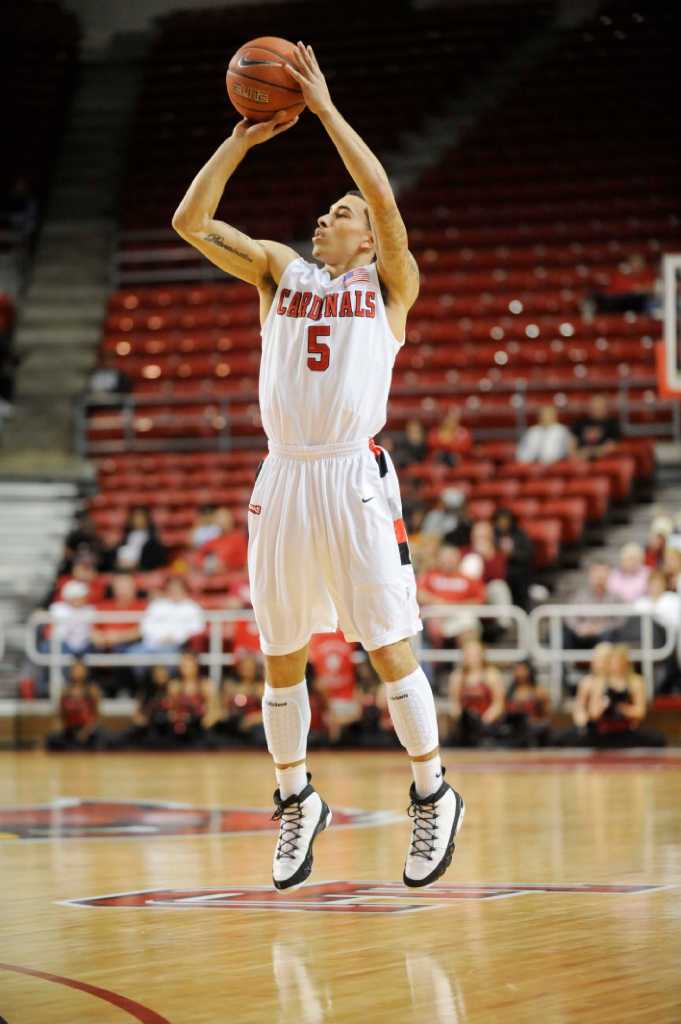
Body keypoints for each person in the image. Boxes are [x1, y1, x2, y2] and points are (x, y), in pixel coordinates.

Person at [173, 41, 464, 891]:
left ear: (369, 236)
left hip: (352, 473)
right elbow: (190, 224)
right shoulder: (277, 271)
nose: (325, 217)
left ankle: (431, 791)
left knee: (385, 644)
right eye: (326, 211)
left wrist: (327, 111)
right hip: (284, 475)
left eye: (339, 212)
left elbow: (379, 193)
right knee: (281, 652)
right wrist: (241, 140)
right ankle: (296, 799)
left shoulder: (390, 283)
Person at [570, 645, 665, 748]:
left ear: (626, 662)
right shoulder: (599, 682)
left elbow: (640, 712)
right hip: (603, 731)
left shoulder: (635, 681)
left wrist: (622, 709)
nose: (616, 665)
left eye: (619, 661)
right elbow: (593, 713)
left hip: (626, 730)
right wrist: (604, 707)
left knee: (657, 738)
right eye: (613, 662)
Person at [417, 545, 485, 647]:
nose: (448, 561)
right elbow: (418, 593)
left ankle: (465, 660)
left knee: (469, 623)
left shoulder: (468, 578)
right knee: (434, 619)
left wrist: (454, 606)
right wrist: (436, 601)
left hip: (459, 615)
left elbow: (480, 599)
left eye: (451, 557)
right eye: (445, 557)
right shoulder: (430, 575)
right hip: (436, 616)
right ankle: (437, 657)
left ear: (458, 559)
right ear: (439, 559)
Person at [447, 640, 505, 747]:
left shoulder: (491, 675)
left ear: (482, 655)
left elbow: (498, 704)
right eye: (468, 654)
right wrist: (459, 719)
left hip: (486, 723)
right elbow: (455, 703)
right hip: (465, 725)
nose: (471, 657)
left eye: (474, 654)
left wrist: (484, 721)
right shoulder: (458, 676)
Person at [563, 562, 625, 652]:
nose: (599, 578)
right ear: (590, 576)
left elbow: (619, 621)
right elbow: (570, 617)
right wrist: (580, 627)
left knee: (610, 637)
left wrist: (601, 628)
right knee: (564, 636)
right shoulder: (579, 596)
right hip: (582, 634)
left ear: (608, 576)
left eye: (602, 574)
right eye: (596, 574)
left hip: (606, 634)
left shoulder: (616, 597)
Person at [46, 659, 105, 751]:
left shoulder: (92, 690)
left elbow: (97, 716)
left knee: (100, 737)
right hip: (70, 729)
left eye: (80, 669)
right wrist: (60, 728)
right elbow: (60, 715)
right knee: (52, 738)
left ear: (86, 671)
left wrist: (86, 731)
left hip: (88, 730)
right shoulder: (65, 691)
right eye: (75, 669)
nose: (78, 672)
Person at [502, 661, 552, 748]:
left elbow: (547, 716)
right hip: (514, 731)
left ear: (529, 671)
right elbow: (505, 713)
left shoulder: (539, 691)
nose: (520, 673)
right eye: (517, 670)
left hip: (533, 730)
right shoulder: (509, 692)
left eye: (523, 670)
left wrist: (536, 723)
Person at [493, 508, 533, 609]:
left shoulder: (520, 535)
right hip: (498, 571)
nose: (503, 523)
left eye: (505, 520)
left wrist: (512, 555)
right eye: (500, 520)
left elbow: (527, 554)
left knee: (520, 578)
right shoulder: (492, 535)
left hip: (518, 569)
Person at [112, 506, 167, 572]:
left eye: (141, 517)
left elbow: (156, 560)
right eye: (135, 517)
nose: (138, 520)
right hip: (123, 571)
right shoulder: (125, 538)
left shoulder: (153, 541)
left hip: (143, 572)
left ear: (147, 519)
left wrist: (138, 565)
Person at [195, 506, 248, 572]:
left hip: (235, 575)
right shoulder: (214, 538)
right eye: (220, 518)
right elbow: (198, 556)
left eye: (225, 518)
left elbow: (245, 560)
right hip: (217, 576)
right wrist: (206, 563)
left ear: (231, 520)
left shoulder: (239, 538)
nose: (223, 522)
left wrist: (225, 563)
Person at [573, 394, 620, 460]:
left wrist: (591, 452)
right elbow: (572, 444)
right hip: (580, 459)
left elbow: (611, 447)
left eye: (600, 405)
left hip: (604, 459)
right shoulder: (580, 423)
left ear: (606, 407)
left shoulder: (612, 424)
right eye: (594, 405)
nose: (597, 407)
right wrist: (577, 455)